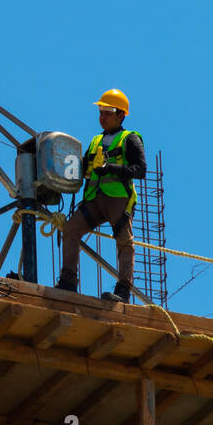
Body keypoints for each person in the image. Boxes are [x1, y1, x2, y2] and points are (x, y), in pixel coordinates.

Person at [55, 89, 146, 302]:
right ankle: (68, 282)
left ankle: (123, 291)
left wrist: (112, 168)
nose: (102, 117)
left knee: (124, 242)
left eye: (108, 112)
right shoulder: (96, 141)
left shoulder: (129, 139)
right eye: (100, 112)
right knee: (70, 230)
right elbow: (82, 167)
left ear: (121, 115)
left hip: (118, 199)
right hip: (95, 199)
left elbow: (140, 169)